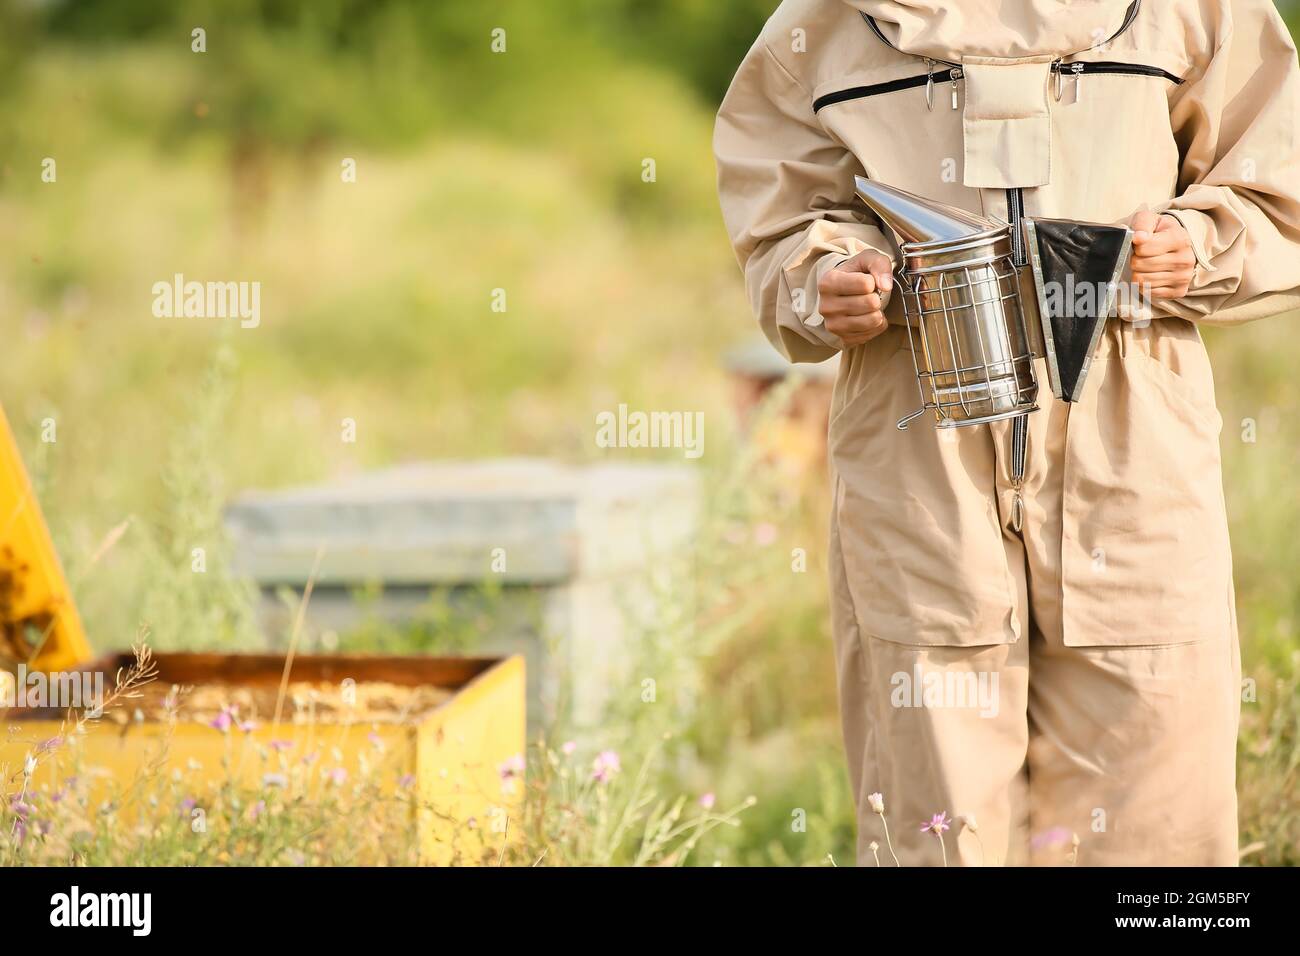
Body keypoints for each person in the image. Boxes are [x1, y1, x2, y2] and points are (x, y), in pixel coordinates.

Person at [714, 0, 1300, 866]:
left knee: (1152, 804)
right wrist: (827, 275)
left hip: (1130, 431)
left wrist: (1195, 243)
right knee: (939, 811)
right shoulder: (822, 23)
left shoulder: (1193, 10)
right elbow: (781, 217)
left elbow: (1277, 185)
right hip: (919, 439)